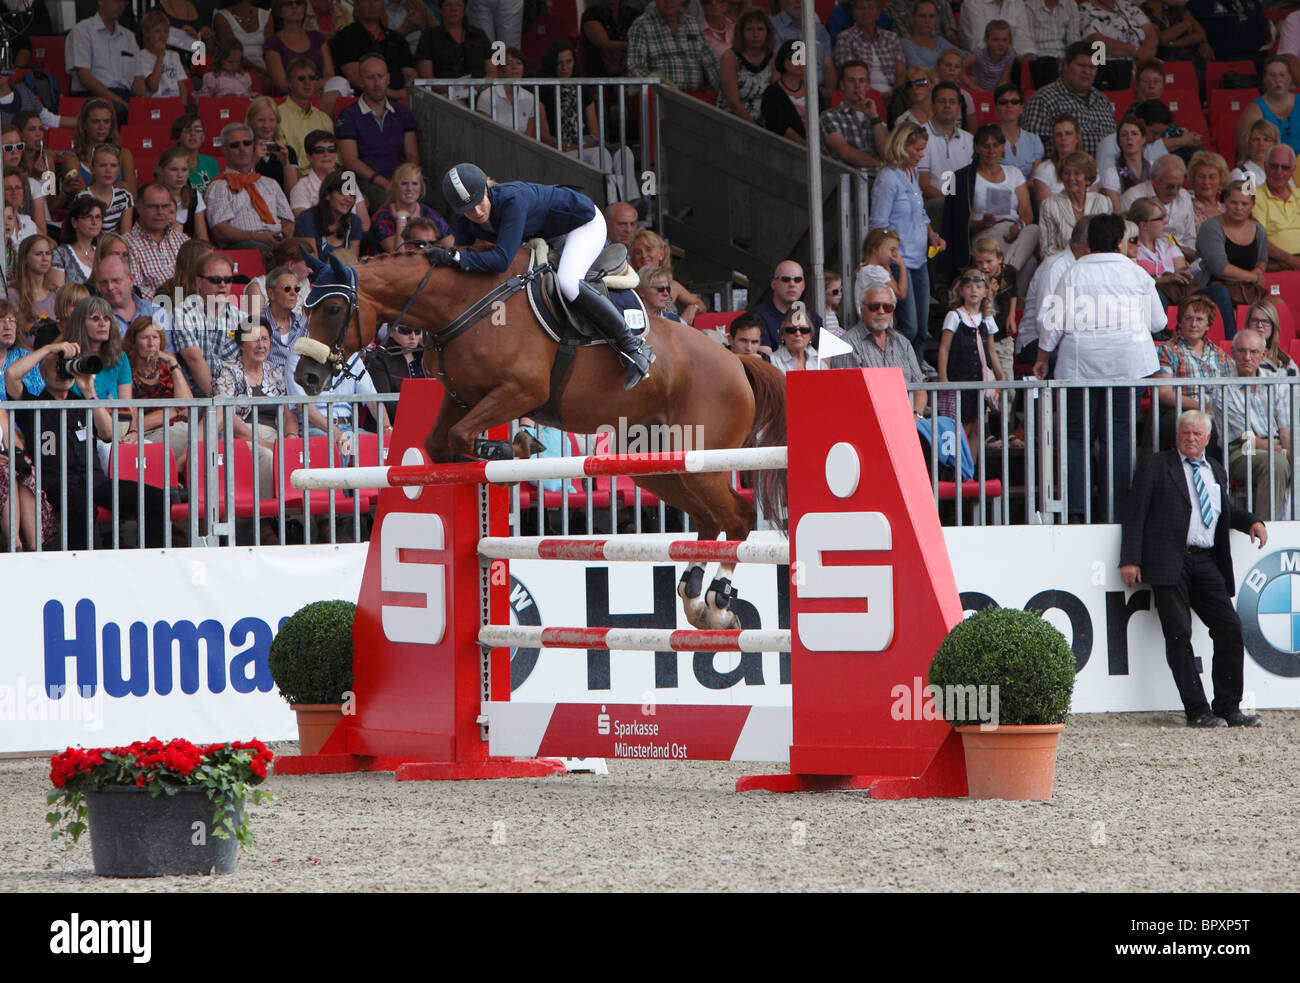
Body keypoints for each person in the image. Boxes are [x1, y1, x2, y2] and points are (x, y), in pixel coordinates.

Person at [429, 163, 652, 389]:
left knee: (568, 282)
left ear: (486, 191)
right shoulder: (468, 221)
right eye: (468, 209)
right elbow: (462, 257)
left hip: (582, 224)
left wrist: (452, 257)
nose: (476, 212)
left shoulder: (512, 201)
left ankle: (634, 347)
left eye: (479, 202)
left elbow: (500, 260)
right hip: (550, 235)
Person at [1119, 409, 1266, 728]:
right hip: (1167, 560)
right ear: (1177, 435)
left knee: (1229, 627)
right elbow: (1135, 513)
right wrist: (1130, 558)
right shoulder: (1156, 465)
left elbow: (1225, 510)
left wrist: (1251, 520)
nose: (1190, 438)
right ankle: (1198, 710)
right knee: (1179, 634)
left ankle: (1228, 707)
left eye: (1197, 434)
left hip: (1206, 559)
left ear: (1208, 439)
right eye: (1186, 432)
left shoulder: (1215, 469)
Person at [1034, 213, 1166, 521]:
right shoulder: (1137, 273)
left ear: (1089, 241)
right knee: (1119, 435)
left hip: (1081, 366)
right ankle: (1117, 511)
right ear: (1120, 241)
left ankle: (1077, 511)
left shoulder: (1074, 273)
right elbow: (1159, 322)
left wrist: (1042, 358)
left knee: (1077, 435)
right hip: (1128, 365)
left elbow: (1053, 323)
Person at [4, 326, 171, 550]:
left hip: (95, 480)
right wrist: (50, 349)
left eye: (68, 366)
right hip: (55, 482)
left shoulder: (82, 402)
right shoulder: (33, 405)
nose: (64, 371)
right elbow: (11, 375)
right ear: (43, 373)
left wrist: (88, 390)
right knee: (82, 504)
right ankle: (81, 565)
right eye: (58, 366)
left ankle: (152, 559)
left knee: (155, 498)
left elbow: (108, 433)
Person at [871, 123, 945, 366]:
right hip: (898, 261)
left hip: (920, 259)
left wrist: (932, 234)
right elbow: (878, 223)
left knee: (922, 328)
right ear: (902, 146)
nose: (921, 155)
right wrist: (887, 257)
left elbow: (921, 212)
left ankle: (916, 377)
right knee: (909, 325)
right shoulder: (888, 178)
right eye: (917, 149)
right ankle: (897, 369)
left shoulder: (912, 173)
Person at [538, 41, 640, 203]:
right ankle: (610, 202)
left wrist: (590, 143)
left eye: (569, 62)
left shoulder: (583, 92)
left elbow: (595, 134)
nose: (565, 67)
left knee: (624, 151)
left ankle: (629, 203)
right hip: (560, 150)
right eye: (559, 63)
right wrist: (576, 146)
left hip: (586, 147)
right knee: (600, 154)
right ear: (552, 65)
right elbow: (545, 137)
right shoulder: (542, 90)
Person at [213, 320, 300, 493]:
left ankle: (299, 515)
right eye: (254, 339)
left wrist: (291, 438)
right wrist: (262, 443)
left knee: (303, 453)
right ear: (241, 344)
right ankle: (265, 518)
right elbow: (226, 416)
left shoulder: (276, 371)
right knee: (267, 456)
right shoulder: (227, 370)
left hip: (273, 434)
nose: (261, 345)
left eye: (265, 339)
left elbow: (287, 413)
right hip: (240, 436)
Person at [1216, 329, 1292, 520]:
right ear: (1232, 354)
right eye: (1241, 351)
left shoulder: (1277, 382)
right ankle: (1267, 531)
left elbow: (1286, 428)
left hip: (1278, 445)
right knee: (1276, 463)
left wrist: (1292, 452)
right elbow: (1246, 439)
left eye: (1254, 352)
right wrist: (1284, 452)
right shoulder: (1223, 389)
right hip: (1240, 451)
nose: (1247, 357)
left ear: (1263, 355)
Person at [336, 52, 420, 211]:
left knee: (440, 201)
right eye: (370, 78)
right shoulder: (348, 115)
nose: (377, 83)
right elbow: (351, 161)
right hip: (365, 182)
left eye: (380, 76)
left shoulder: (402, 113)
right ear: (360, 82)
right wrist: (385, 183)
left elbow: (412, 156)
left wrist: (408, 182)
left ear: (388, 78)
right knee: (386, 204)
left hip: (400, 180)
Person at [831, 282, 931, 416]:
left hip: (905, 423)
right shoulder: (847, 344)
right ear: (862, 309)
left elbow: (920, 388)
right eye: (874, 306)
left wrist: (916, 415)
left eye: (887, 307)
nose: (881, 311)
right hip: (867, 423)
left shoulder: (903, 343)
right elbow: (851, 396)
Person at [967, 124, 1039, 289]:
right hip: (986, 233)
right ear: (977, 148)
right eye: (986, 145)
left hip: (1013, 231)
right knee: (1030, 263)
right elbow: (962, 222)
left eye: (996, 145)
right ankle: (1011, 300)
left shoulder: (1014, 172)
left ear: (1002, 148)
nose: (991, 150)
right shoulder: (968, 176)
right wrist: (981, 224)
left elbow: (1027, 213)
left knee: (1035, 229)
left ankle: (1007, 272)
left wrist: (1019, 226)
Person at [937, 267, 1004, 444]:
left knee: (976, 427)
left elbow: (991, 350)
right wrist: (943, 378)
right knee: (961, 427)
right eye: (968, 286)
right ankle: (959, 468)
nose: (973, 290)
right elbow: (944, 348)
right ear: (960, 290)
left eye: (978, 286)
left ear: (985, 292)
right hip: (959, 378)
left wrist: (1001, 376)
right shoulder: (954, 316)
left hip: (979, 381)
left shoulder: (988, 318)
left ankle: (970, 471)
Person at [206, 123, 297, 251]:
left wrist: (286, 240)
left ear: (253, 146)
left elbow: (288, 220)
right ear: (225, 149)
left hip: (277, 241)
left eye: (247, 143)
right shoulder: (219, 185)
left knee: (306, 248)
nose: (242, 149)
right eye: (235, 145)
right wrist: (256, 237)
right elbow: (220, 230)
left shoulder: (270, 183)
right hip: (245, 244)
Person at [1021, 41, 1117, 157]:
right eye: (1081, 65)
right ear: (1065, 65)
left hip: (1106, 171)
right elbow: (1030, 150)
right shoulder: (1042, 100)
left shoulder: (1103, 100)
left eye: (1092, 67)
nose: (1087, 72)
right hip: (1062, 172)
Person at [1197, 179, 1267, 330]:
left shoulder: (1259, 229)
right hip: (1213, 287)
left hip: (1247, 290)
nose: (1238, 208)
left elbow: (1262, 260)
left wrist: (1258, 271)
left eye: (1244, 204)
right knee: (1226, 299)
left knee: (1276, 306)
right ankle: (1230, 344)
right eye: (1233, 202)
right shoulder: (1211, 226)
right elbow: (1220, 269)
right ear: (1224, 202)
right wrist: (1254, 277)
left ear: (1252, 206)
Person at [172, 252, 245, 396]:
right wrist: (220, 402)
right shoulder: (184, 313)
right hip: (196, 393)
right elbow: (193, 359)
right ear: (199, 282)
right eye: (215, 280)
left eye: (228, 279)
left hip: (235, 391)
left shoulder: (241, 317)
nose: (222, 285)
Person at [123, 315, 192, 467]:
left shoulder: (168, 370)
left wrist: (173, 364)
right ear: (133, 342)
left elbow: (188, 408)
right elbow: (135, 424)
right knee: (204, 444)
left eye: (155, 337)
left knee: (214, 437)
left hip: (182, 428)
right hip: (151, 434)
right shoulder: (127, 373)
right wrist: (175, 410)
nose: (151, 343)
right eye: (145, 338)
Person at [1154, 295, 1233, 424]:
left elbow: (1234, 387)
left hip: (1217, 411)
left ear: (1208, 324)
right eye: (1188, 318)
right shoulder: (1166, 350)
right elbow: (1164, 394)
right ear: (1180, 322)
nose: (1193, 324)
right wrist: (1202, 407)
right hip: (1182, 412)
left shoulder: (1219, 354)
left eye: (1200, 319)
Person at [65, 0, 139, 119]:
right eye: (116, 1)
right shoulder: (82, 31)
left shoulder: (129, 37)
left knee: (154, 112)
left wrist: (144, 103)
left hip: (125, 95)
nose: (121, 5)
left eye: (124, 2)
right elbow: (85, 77)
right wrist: (122, 102)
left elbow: (138, 80)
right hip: (92, 95)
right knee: (118, 110)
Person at [627, 0, 722, 92]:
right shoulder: (641, 26)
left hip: (696, 99)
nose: (669, 1)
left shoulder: (693, 24)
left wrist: (727, 88)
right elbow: (635, 68)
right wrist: (661, 85)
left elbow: (712, 64)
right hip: (659, 98)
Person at [265, 0, 342, 114]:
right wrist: (309, 87)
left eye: (299, 3)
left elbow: (330, 74)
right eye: (289, 4)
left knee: (340, 81)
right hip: (292, 96)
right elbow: (281, 85)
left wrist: (316, 86)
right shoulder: (273, 43)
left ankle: (313, 118)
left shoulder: (317, 37)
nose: (295, 7)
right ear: (279, 11)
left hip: (323, 91)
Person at [332, 0, 415, 98]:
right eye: (366, 1)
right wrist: (393, 94)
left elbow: (410, 74)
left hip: (401, 103)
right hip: (360, 103)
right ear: (356, 4)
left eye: (377, 0)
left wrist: (406, 92)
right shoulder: (345, 37)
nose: (372, 5)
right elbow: (355, 76)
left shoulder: (396, 39)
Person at [1120, 155, 1197, 261]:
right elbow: (1127, 238)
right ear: (1153, 178)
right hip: (1144, 257)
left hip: (1183, 257)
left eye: (1179, 186)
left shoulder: (1184, 196)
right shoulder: (1133, 196)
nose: (1174, 191)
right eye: (1170, 186)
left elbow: (1190, 237)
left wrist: (1187, 253)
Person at [918, 82, 974, 226]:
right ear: (932, 105)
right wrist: (954, 205)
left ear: (958, 107)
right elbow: (924, 186)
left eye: (952, 102)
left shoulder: (969, 140)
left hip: (962, 207)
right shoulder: (919, 136)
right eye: (942, 101)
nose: (947, 105)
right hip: (930, 208)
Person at [60, 100, 138, 201]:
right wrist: (117, 188)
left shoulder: (124, 154)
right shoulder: (71, 159)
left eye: (106, 121)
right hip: (87, 214)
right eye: (96, 122)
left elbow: (133, 196)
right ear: (84, 125)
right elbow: (84, 198)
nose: (101, 127)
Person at [365, 161, 449, 253]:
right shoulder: (382, 217)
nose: (409, 188)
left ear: (421, 187)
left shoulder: (428, 213)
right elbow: (398, 255)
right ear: (395, 188)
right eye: (404, 183)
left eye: (415, 183)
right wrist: (401, 219)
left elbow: (452, 245)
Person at [821, 60, 888, 176]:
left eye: (862, 81)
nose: (857, 86)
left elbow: (886, 153)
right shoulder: (830, 116)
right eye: (851, 80)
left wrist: (874, 118)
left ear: (868, 86)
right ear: (842, 85)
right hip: (848, 184)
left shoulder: (875, 117)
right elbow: (846, 153)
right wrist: (881, 165)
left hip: (879, 181)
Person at [1039, 151, 1111, 258]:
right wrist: (1074, 259)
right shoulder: (1050, 205)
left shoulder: (1103, 202)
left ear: (1087, 178)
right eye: (1066, 173)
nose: (1071, 178)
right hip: (1063, 266)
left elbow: (1108, 242)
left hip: (1096, 264)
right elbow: (1047, 249)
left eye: (1077, 173)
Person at [629, 229, 706, 324]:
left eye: (648, 249)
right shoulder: (629, 287)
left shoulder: (673, 285)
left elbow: (701, 305)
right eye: (638, 252)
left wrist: (692, 308)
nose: (644, 255)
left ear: (661, 254)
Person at [748, 259, 824, 354]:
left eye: (797, 280)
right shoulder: (757, 317)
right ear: (773, 284)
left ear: (803, 285)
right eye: (785, 279)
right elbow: (765, 359)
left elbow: (823, 360)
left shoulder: (814, 319)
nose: (792, 284)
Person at [273, 58, 336, 170]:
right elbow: (282, 160)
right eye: (301, 78)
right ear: (289, 83)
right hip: (292, 178)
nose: (307, 82)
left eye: (312, 78)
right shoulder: (277, 116)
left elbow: (335, 158)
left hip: (325, 179)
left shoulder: (324, 118)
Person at [1081, 0, 1157, 91]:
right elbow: (1094, 39)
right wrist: (1137, 51)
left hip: (1141, 62)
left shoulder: (1128, 6)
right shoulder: (1085, 9)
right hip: (1110, 68)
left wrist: (1147, 53)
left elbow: (1150, 32)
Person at [718, 5, 774, 126]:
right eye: (749, 29)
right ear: (741, 33)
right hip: (733, 122)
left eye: (760, 29)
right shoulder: (730, 57)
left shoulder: (773, 58)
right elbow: (733, 103)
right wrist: (756, 130)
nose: (755, 34)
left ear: (767, 32)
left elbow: (777, 97)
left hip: (766, 124)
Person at [834, 0, 904, 95]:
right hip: (860, 93)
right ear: (853, 13)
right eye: (861, 8)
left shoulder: (891, 37)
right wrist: (877, 96)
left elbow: (901, 74)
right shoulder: (845, 38)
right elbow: (849, 74)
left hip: (893, 95)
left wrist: (893, 94)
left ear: (878, 13)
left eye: (870, 8)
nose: (866, 12)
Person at [1238, 57, 1300, 162]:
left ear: (1290, 78)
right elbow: (1246, 149)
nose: (1277, 79)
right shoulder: (1254, 109)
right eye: (1272, 75)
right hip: (1268, 167)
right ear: (1265, 79)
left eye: (1282, 75)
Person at [415, 0, 491, 85]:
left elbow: (492, 71)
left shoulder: (479, 35)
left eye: (458, 5)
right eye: (448, 5)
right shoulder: (428, 36)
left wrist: (477, 89)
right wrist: (452, 92)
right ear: (440, 9)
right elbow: (426, 75)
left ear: (464, 9)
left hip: (479, 93)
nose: (453, 9)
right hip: (442, 94)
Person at [294, 170, 364, 256]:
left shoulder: (355, 222)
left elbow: (353, 262)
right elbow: (312, 263)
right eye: (342, 193)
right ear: (328, 195)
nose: (348, 199)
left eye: (352, 195)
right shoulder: (307, 219)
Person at [770, 0, 835, 92]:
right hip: (788, 92)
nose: (798, 1)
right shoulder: (771, 27)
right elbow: (776, 67)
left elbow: (828, 67)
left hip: (819, 92)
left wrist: (830, 97)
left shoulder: (820, 30)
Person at [1254, 145, 1300, 272]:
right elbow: (1260, 240)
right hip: (1277, 263)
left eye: (1285, 167)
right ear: (1265, 167)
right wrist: (1292, 260)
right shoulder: (1254, 197)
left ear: (1293, 170)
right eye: (1274, 166)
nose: (1279, 172)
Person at [133, 8, 191, 103]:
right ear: (146, 32)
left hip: (175, 102)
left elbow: (182, 87)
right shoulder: (141, 57)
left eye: (166, 31)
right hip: (155, 105)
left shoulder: (174, 55)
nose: (162, 35)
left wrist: (182, 107)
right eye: (157, 31)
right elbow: (153, 86)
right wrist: (160, 56)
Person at [246, 97, 301, 196]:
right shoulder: (243, 149)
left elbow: (293, 195)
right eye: (260, 120)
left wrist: (285, 163)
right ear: (251, 121)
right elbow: (241, 189)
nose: (266, 125)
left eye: (271, 120)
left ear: (277, 122)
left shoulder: (287, 151)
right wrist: (253, 160)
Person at [8, 235, 64, 330]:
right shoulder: (13, 294)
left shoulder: (57, 293)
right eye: (38, 254)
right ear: (25, 258)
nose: (45, 258)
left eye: (48, 253)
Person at [78, 145, 134, 236]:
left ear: (119, 169)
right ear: (92, 169)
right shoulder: (83, 198)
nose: (108, 170)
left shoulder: (125, 197)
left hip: (117, 247)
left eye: (113, 165)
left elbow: (125, 236)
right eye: (102, 165)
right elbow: (85, 236)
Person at [1023, 0, 1082, 87]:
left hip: (1064, 56)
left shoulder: (1070, 4)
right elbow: (1028, 41)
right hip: (1040, 57)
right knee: (1049, 66)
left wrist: (1070, 58)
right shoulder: (1029, 6)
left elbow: (1074, 39)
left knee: (1084, 65)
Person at [761, 40, 809, 145]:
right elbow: (779, 127)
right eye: (793, 57)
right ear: (782, 59)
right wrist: (807, 147)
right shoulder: (771, 93)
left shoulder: (813, 91)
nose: (799, 62)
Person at [155, 147, 209, 242]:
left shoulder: (194, 196)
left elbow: (203, 239)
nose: (180, 175)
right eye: (174, 169)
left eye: (184, 170)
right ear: (161, 171)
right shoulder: (153, 196)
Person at [854, 227, 908, 319]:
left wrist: (888, 272)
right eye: (892, 250)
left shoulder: (865, 267)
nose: (895, 255)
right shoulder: (875, 271)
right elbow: (901, 294)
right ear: (875, 249)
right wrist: (902, 266)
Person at [1099, 117, 1151, 211]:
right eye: (1124, 135)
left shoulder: (1154, 167)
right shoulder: (1111, 173)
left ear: (1143, 139)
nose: (1129, 138)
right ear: (1119, 141)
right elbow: (1116, 211)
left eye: (1134, 134)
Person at [50, 198, 103, 288]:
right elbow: (58, 295)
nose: (94, 222)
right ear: (74, 222)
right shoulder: (60, 255)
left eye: (98, 217)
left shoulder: (103, 253)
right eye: (88, 217)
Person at [215, 0, 275, 79]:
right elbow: (231, 53)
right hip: (236, 69)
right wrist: (265, 73)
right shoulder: (222, 17)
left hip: (265, 69)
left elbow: (270, 53)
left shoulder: (266, 15)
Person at [995, 83, 1042, 178]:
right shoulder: (988, 139)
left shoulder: (1034, 140)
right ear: (996, 109)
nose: (1009, 105)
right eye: (1003, 102)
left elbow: (1034, 178)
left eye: (1014, 101)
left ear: (1021, 108)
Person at [1142, 0, 1214, 62]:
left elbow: (1201, 35)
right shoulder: (1141, 12)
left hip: (1190, 56)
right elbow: (1162, 39)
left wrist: (1173, 44)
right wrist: (1185, 25)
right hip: (1162, 60)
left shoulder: (1177, 9)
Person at [962, 18, 1016, 93]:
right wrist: (972, 85)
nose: (1001, 44)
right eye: (996, 40)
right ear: (986, 40)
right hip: (977, 91)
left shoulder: (1010, 56)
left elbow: (1003, 80)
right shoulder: (980, 54)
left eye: (1005, 40)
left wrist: (996, 95)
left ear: (1010, 41)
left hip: (995, 93)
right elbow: (959, 66)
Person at [170, 115, 221, 194]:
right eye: (187, 130)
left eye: (198, 130)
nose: (193, 133)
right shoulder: (169, 161)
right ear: (178, 136)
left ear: (203, 136)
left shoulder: (211, 162)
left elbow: (218, 193)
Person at [901, 0, 958, 70]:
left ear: (936, 19)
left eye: (931, 16)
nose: (927, 20)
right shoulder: (906, 44)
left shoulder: (939, 41)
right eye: (922, 16)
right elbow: (920, 69)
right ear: (913, 18)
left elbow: (965, 56)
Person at [1246, 299, 1295, 377]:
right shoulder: (1239, 358)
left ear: (1273, 325)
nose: (1259, 325)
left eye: (1265, 321)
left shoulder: (1286, 362)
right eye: (1255, 320)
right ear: (1248, 324)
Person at [771, 301, 823, 373]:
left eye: (804, 330)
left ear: (811, 335)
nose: (798, 334)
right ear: (782, 334)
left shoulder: (818, 361)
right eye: (791, 330)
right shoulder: (771, 361)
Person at [1188, 151, 1229, 233]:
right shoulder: (1186, 209)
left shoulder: (1228, 210)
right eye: (1201, 176)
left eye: (1212, 177)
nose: (1206, 182)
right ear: (1193, 178)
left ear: (1221, 180)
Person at [1239, 119, 1280, 193]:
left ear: (1275, 144)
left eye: (1266, 140)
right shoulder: (1240, 173)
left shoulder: (1282, 170)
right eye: (1255, 139)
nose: (1261, 144)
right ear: (1247, 144)